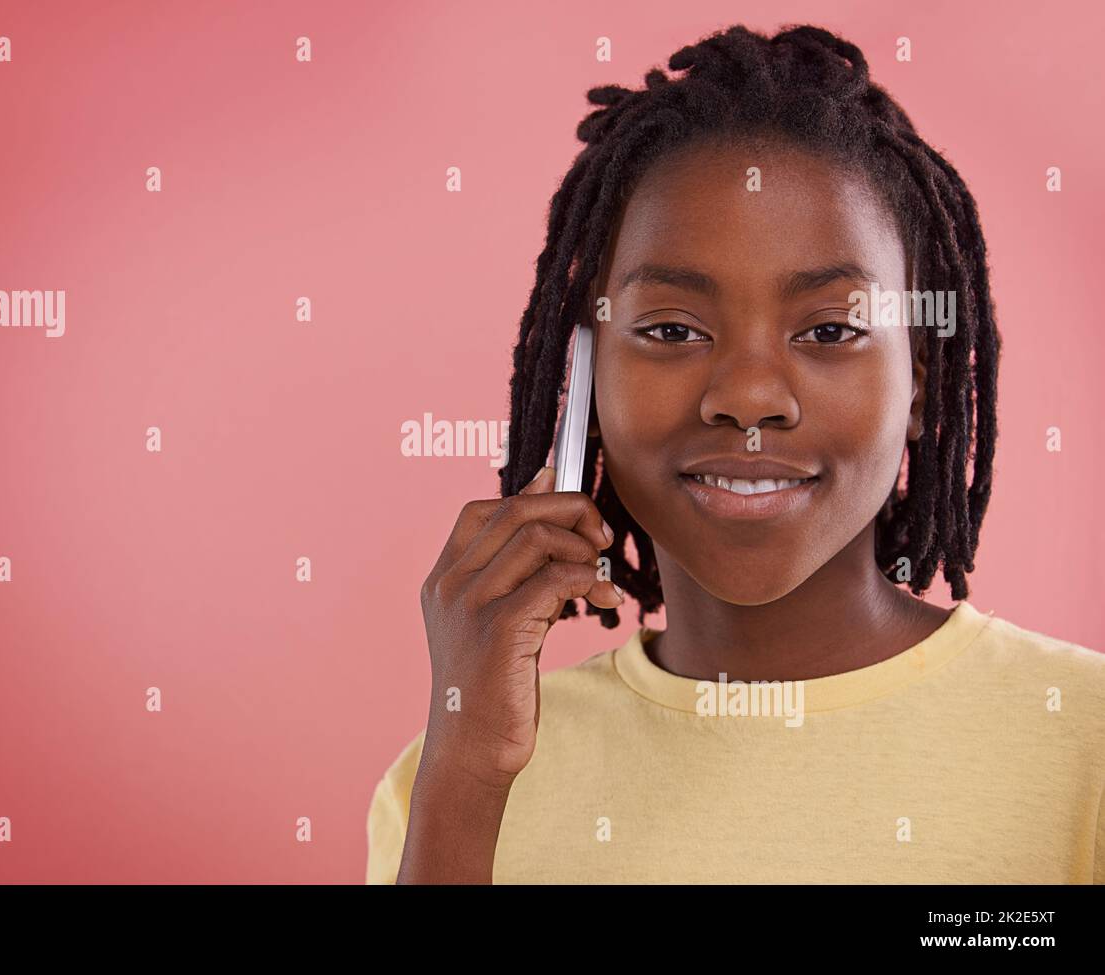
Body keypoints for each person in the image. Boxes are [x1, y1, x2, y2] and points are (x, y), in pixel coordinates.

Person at [366, 24, 1105, 884]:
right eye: (672, 329)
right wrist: (469, 775)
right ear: (584, 377)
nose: (750, 397)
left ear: (922, 383)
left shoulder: (1082, 741)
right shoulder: (452, 777)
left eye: (831, 329)